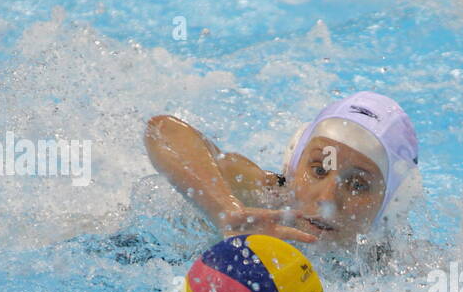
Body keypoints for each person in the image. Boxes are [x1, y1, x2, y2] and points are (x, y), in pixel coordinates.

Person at [144, 91, 420, 252]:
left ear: (392, 202)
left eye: (358, 185)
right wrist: (224, 211)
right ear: (293, 165)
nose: (326, 199)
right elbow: (163, 130)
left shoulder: (394, 269)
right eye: (319, 170)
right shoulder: (266, 196)